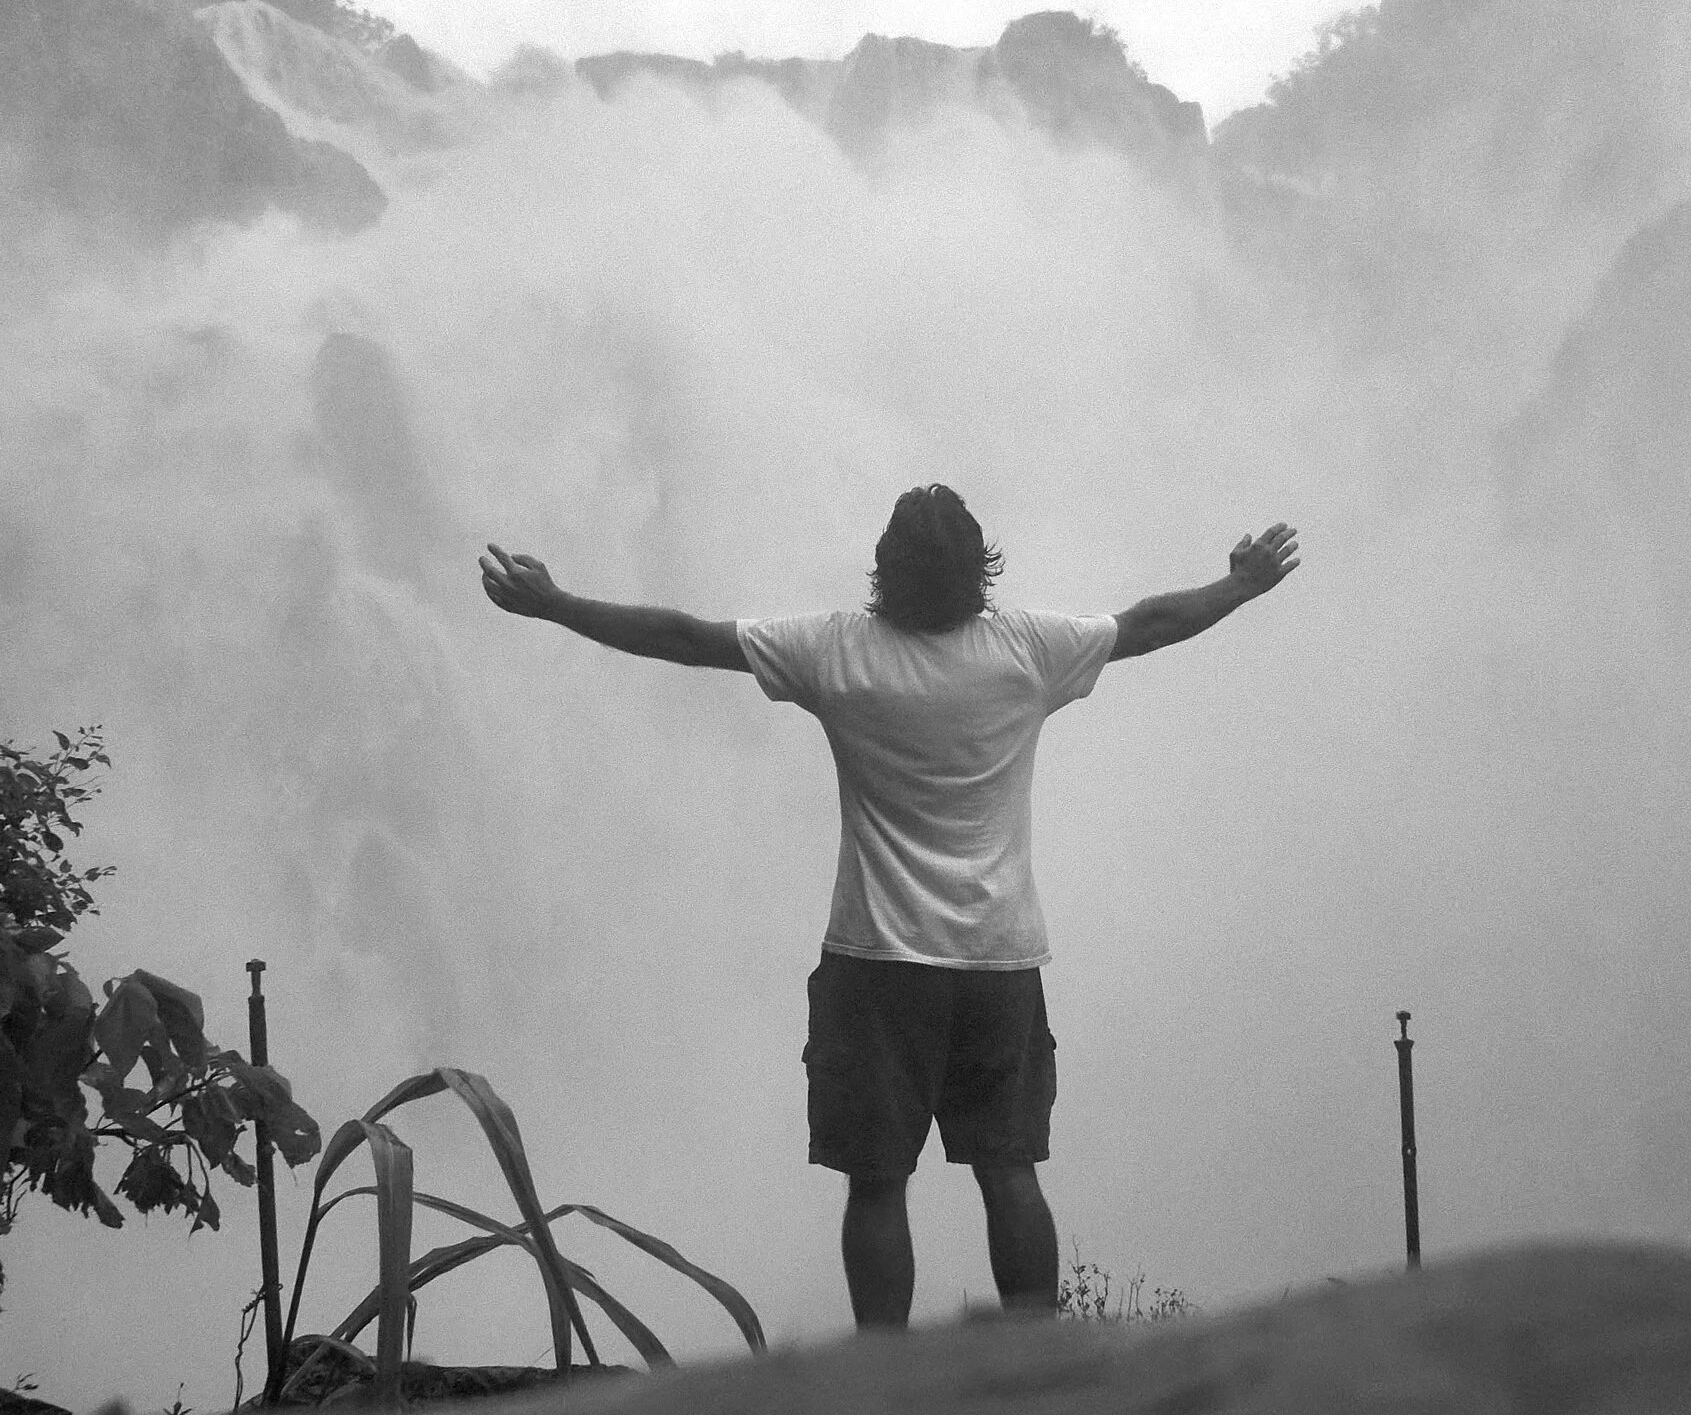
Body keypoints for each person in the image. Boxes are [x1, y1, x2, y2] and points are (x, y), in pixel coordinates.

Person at [478, 486, 1299, 1328]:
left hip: (878, 966)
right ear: (980, 572)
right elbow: (1155, 621)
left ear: (885, 572)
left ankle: (885, 1366)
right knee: (1009, 1167)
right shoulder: (1028, 651)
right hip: (999, 961)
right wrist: (1241, 584)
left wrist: (555, 605)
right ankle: (1036, 1360)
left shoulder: (838, 654)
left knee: (878, 1181)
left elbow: (686, 638)